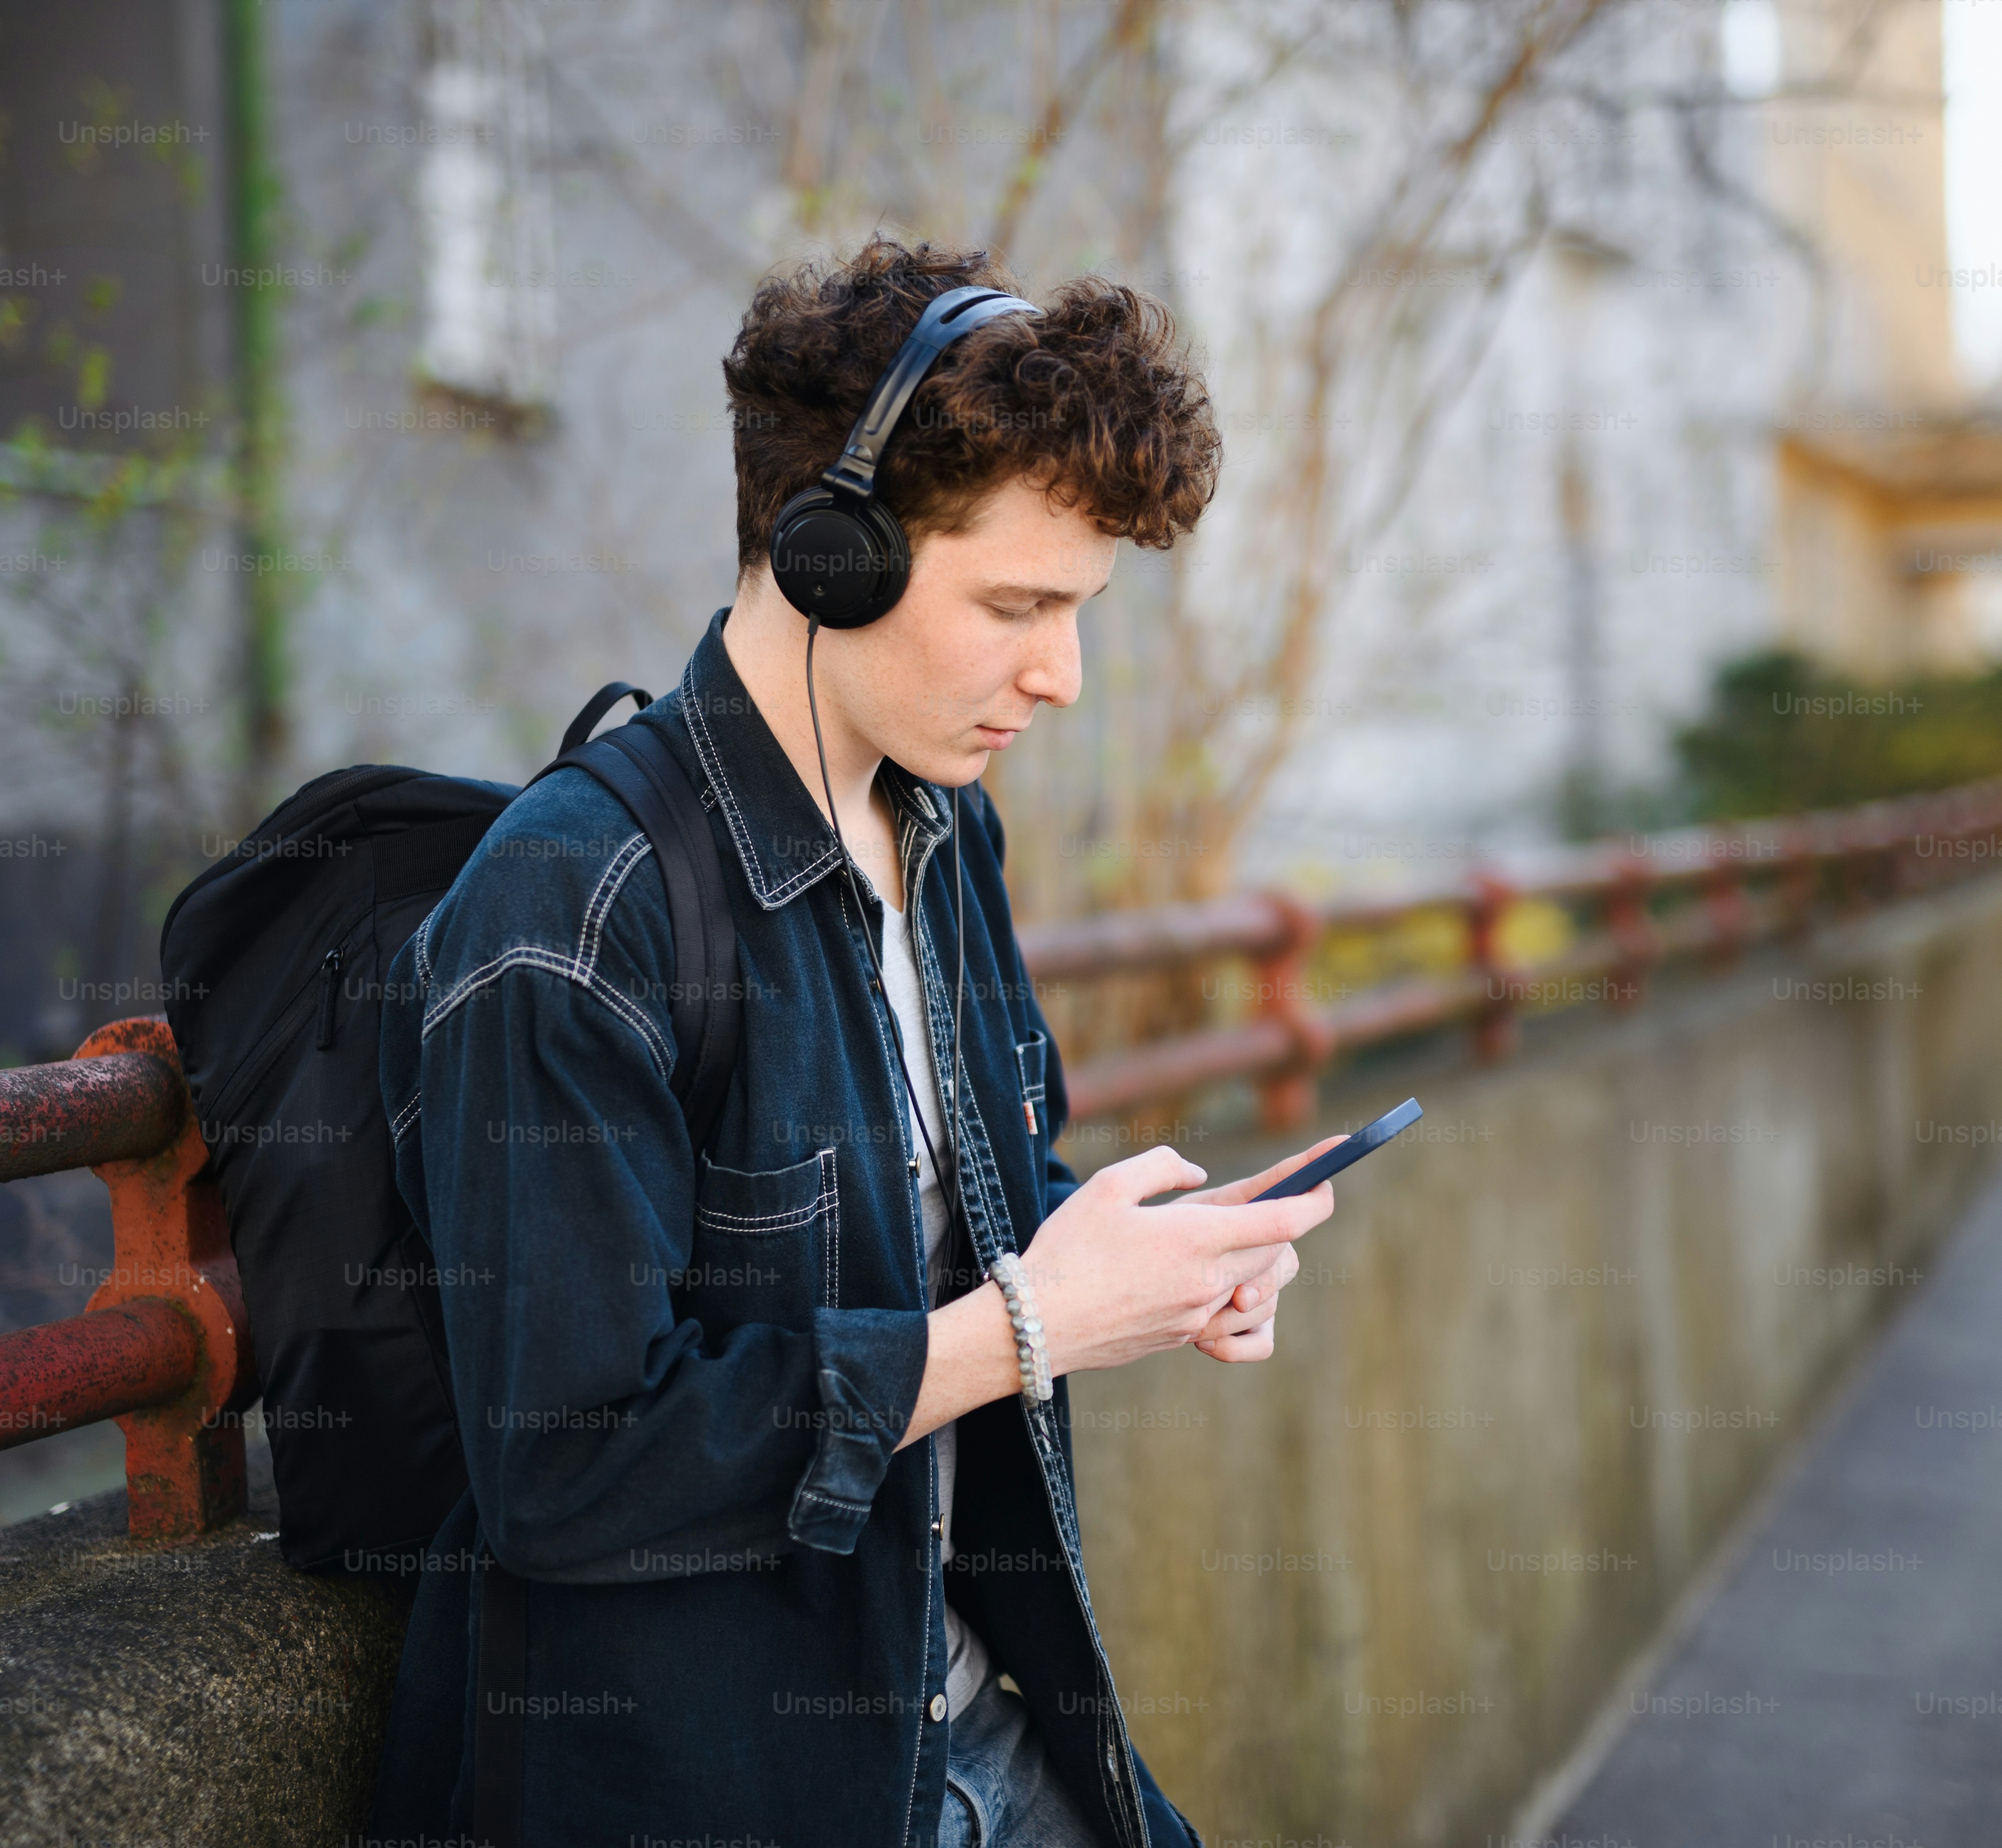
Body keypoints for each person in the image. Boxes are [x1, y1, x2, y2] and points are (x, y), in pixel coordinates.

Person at [370, 236, 1343, 1847]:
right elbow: (564, 1467)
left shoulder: (946, 831)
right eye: (1018, 605)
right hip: (720, 1794)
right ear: (831, 552)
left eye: (1082, 609)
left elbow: (970, 1207)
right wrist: (1032, 1326)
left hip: (977, 1729)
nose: (1065, 675)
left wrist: (1160, 1262)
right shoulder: (571, 908)